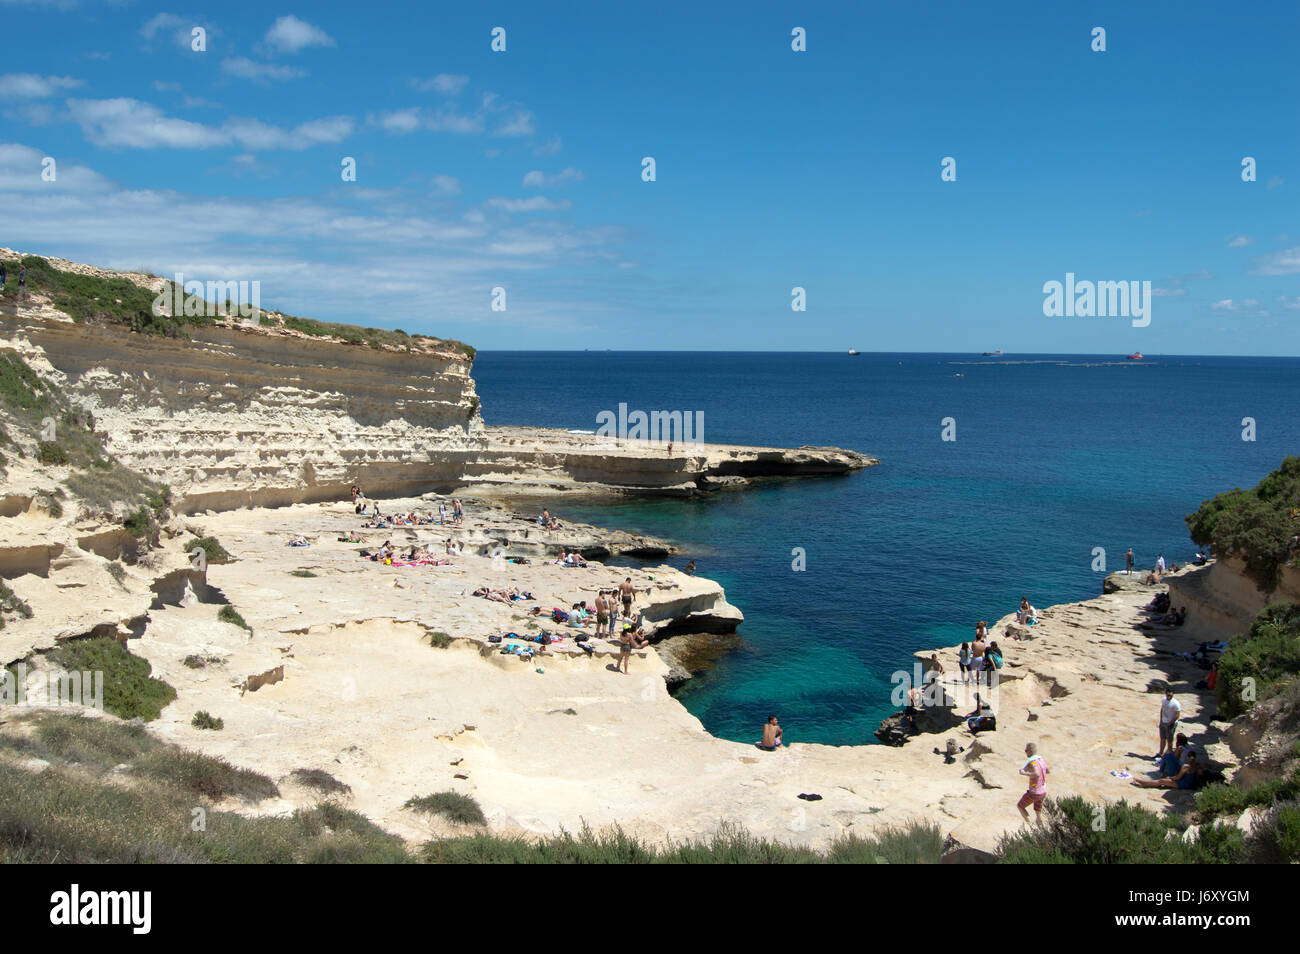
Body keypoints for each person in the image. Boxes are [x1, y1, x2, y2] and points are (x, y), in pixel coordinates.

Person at [1132, 751, 1203, 790]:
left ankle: (1143, 783)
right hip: (1190, 785)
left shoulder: (1186, 767)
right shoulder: (1197, 766)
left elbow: (1178, 777)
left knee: (1161, 781)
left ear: (1188, 757)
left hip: (1183, 784)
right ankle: (1142, 782)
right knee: (1163, 781)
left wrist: (1171, 778)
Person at [1017, 743, 1049, 823]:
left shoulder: (1033, 762)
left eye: (1026, 750)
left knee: (1020, 806)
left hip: (1035, 792)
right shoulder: (1041, 760)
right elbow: (1047, 771)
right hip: (1043, 791)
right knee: (1037, 807)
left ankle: (1030, 825)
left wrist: (1024, 773)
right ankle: (1039, 821)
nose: (1025, 751)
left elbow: (1036, 774)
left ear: (1030, 751)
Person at [1156, 688, 1181, 760]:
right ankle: (1160, 753)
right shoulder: (1164, 700)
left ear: (1173, 694)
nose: (1169, 695)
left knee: (1169, 740)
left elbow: (1177, 715)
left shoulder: (1176, 703)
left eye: (1170, 694)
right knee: (1162, 738)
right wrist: (1161, 720)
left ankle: (1168, 754)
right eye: (1168, 693)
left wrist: (1170, 723)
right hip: (1163, 722)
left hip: (1171, 723)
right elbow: (1162, 709)